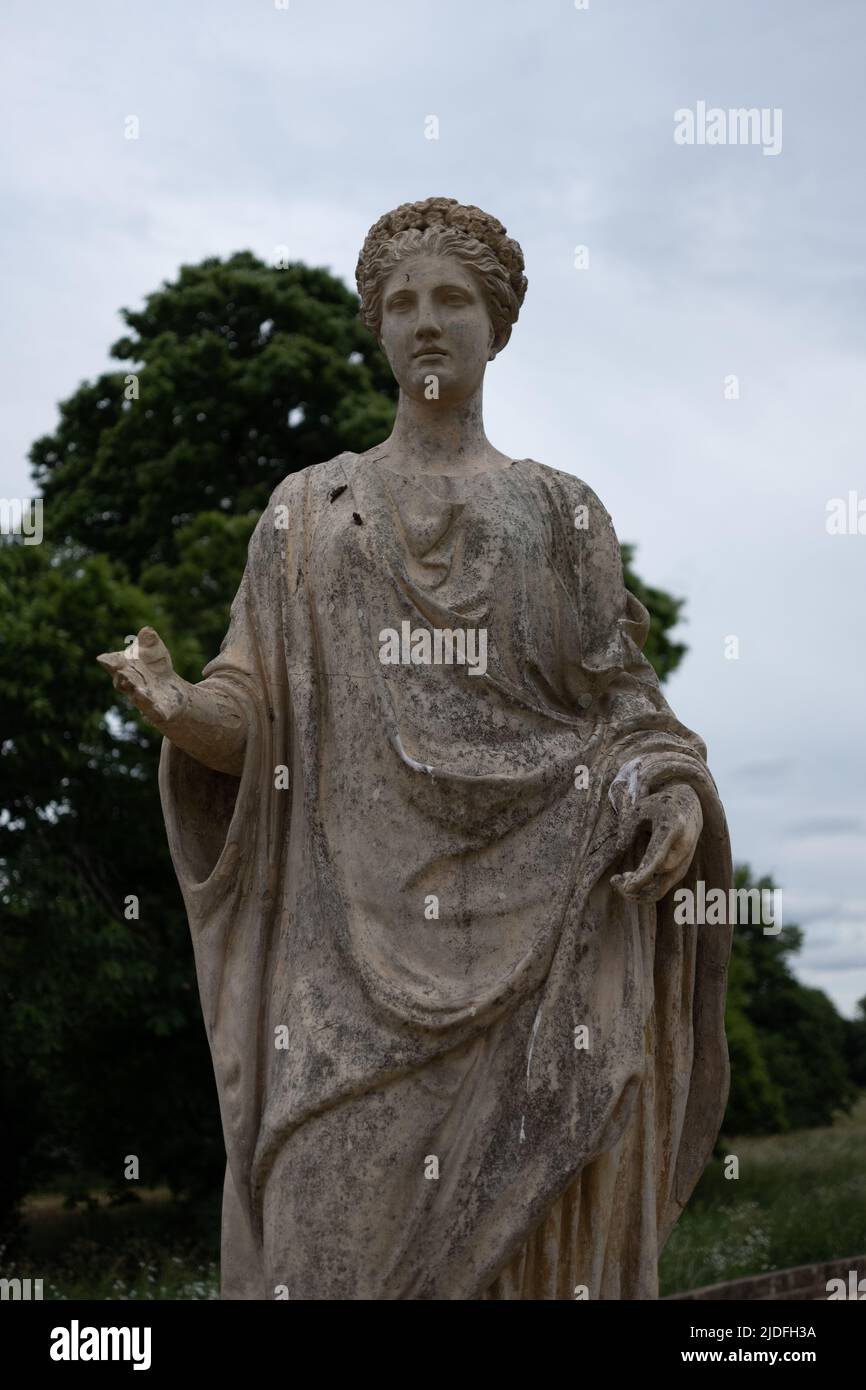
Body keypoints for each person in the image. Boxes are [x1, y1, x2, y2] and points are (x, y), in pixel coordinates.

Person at [97, 196, 732, 1300]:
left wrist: (667, 785)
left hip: (553, 933)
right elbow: (255, 714)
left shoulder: (557, 510)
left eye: (451, 299)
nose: (424, 321)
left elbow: (623, 703)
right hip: (343, 968)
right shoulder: (305, 513)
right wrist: (179, 709)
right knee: (319, 1249)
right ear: (376, 327)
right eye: (400, 302)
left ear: (497, 324)